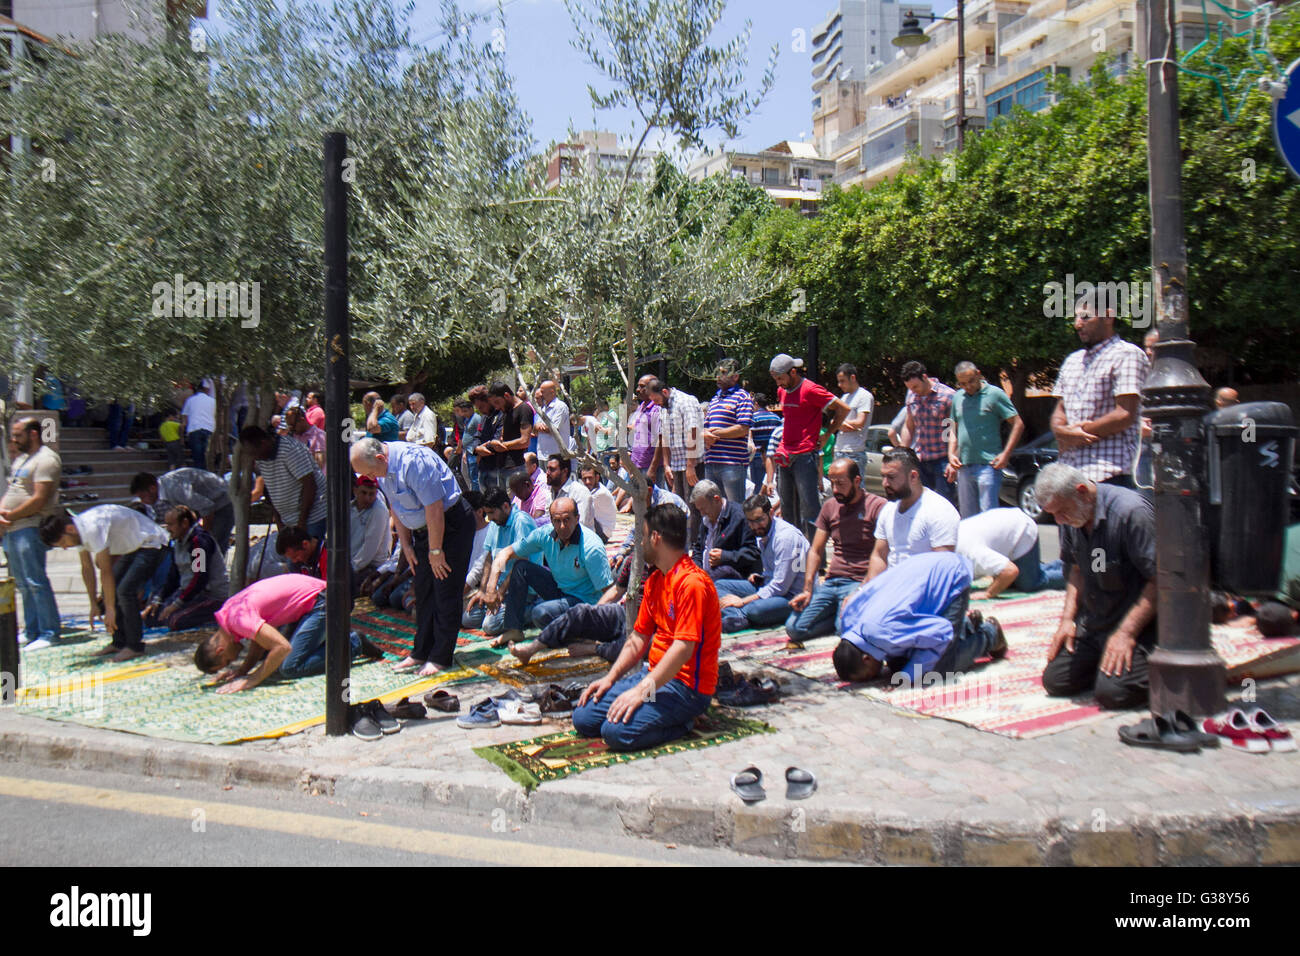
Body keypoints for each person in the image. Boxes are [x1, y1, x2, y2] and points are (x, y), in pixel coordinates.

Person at [573, 504, 721, 751]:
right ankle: (652, 708)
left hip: (687, 689)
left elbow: (683, 648)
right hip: (653, 677)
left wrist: (641, 692)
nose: (639, 543)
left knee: (615, 733)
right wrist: (610, 679)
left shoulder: (692, 583)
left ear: (655, 537)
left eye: (642, 536)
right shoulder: (655, 580)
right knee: (584, 718)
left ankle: (684, 721)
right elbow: (638, 639)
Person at [1035, 462, 1157, 709]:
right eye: (1053, 515)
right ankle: (1109, 666)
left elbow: (1161, 580)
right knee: (1056, 681)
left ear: (1081, 491)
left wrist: (1126, 633)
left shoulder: (1130, 513)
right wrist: (1067, 621)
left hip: (1140, 624)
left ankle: (1154, 666)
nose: (1059, 521)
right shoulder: (1073, 520)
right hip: (1097, 622)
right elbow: (1076, 570)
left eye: (1062, 512)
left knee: (1113, 694)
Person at [351, 436, 476, 676]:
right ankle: (420, 652)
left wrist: (436, 550)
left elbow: (435, 509)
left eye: (369, 471)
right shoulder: (383, 468)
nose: (371, 477)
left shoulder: (413, 462)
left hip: (450, 526)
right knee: (423, 589)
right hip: (422, 532)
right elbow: (396, 506)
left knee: (445, 589)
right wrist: (406, 546)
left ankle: (441, 656)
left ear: (379, 458)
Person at [833, 551, 1006, 684]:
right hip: (924, 570)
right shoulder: (848, 622)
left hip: (951, 575)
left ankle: (990, 634)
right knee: (900, 665)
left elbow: (941, 631)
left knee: (937, 670)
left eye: (870, 674)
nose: (877, 675)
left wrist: (908, 676)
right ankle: (966, 627)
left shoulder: (884, 632)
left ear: (866, 658)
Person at [194, 573, 382, 692]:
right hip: (313, 601)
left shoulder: (238, 619)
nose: (231, 661)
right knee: (283, 660)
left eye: (227, 661)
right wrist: (242, 670)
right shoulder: (228, 613)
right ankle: (335, 639)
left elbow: (282, 647)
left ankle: (353, 643)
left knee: (289, 667)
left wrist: (253, 678)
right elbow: (259, 641)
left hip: (325, 600)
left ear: (220, 650)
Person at [483, 497, 612, 655]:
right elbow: (505, 554)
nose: (562, 526)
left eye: (567, 520)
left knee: (541, 613)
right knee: (521, 567)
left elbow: (609, 592)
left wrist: (601, 629)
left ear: (577, 519)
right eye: (557, 521)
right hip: (560, 590)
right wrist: (490, 588)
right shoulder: (544, 535)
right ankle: (514, 629)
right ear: (551, 521)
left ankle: (579, 636)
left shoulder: (592, 547)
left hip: (584, 603)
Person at [40, 505, 169, 661]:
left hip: (152, 542)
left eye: (63, 543)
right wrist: (93, 603)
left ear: (69, 529)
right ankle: (119, 642)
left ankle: (135, 646)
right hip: (134, 546)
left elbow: (106, 570)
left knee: (124, 591)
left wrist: (109, 609)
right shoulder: (78, 530)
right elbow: (87, 569)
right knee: (114, 590)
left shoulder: (92, 527)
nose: (65, 547)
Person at [1049, 297, 1150, 486]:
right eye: (1076, 318)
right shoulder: (1072, 360)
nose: (1078, 325)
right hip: (1070, 475)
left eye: (1085, 317)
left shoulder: (1127, 355)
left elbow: (1125, 414)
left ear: (1108, 316)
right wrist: (1061, 431)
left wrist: (1078, 434)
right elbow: (1060, 408)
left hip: (1111, 474)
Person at [786, 458, 887, 644]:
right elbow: (815, 550)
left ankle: (841, 621)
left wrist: (863, 588)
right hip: (832, 582)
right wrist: (808, 588)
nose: (835, 489)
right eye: (832, 483)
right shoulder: (830, 506)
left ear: (857, 481)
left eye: (840, 484)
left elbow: (883, 554)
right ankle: (836, 618)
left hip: (859, 581)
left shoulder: (877, 507)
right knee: (794, 628)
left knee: (846, 633)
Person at [769, 353, 850, 539]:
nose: (778, 383)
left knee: (810, 508)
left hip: (805, 455)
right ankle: (793, 555)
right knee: (787, 509)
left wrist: (828, 433)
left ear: (793, 372)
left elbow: (843, 408)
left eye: (780, 378)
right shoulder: (782, 391)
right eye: (775, 379)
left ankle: (817, 560)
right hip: (785, 454)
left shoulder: (811, 389)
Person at [0, 417, 63, 648]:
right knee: (23, 584)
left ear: (33, 434)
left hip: (30, 527)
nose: (14, 440)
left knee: (36, 581)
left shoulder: (46, 460)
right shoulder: (23, 460)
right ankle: (32, 629)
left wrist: (9, 515)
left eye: (18, 435)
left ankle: (49, 632)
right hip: (12, 529)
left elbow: (39, 499)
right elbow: (14, 490)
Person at [715, 493, 809, 633]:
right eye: (750, 521)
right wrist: (762, 577)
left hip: (792, 596)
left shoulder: (786, 538)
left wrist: (743, 601)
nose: (755, 526)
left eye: (759, 520)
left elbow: (781, 587)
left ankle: (737, 614)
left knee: (755, 610)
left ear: (771, 513)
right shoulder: (763, 533)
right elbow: (773, 574)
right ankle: (737, 616)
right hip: (769, 587)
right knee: (719, 585)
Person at [867, 447, 960, 580]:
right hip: (890, 588)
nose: (885, 483)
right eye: (883, 476)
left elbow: (943, 567)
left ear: (913, 476)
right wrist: (866, 592)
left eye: (891, 477)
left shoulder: (939, 511)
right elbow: (879, 556)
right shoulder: (888, 510)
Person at [947, 361, 1024, 517]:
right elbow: (952, 429)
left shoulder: (995, 395)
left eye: (971, 381)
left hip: (988, 466)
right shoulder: (957, 398)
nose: (967, 386)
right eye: (962, 384)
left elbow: (1018, 424)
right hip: (964, 466)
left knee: (988, 518)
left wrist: (1006, 454)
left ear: (978, 374)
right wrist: (951, 455)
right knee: (968, 519)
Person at [462, 488, 539, 635]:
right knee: (468, 618)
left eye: (491, 513)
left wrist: (500, 594)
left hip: (522, 590)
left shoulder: (521, 522)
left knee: (490, 626)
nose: (489, 518)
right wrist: (483, 591)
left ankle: (536, 609)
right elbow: (489, 558)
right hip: (498, 588)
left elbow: (520, 564)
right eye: (487, 513)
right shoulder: (495, 524)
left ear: (505, 506)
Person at [144, 505, 229, 631]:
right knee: (153, 617)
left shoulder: (199, 542)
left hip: (208, 593)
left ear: (184, 523)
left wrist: (176, 605)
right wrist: (158, 600)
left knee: (175, 621)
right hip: (187, 592)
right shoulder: (178, 542)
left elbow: (199, 579)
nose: (168, 529)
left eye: (171, 525)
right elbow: (173, 576)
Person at [238, 426, 327, 540]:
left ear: (263, 443)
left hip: (313, 516)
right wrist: (279, 522)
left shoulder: (290, 450)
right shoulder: (262, 458)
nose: (253, 457)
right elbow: (271, 492)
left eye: (253, 453)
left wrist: (301, 522)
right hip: (289, 519)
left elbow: (310, 485)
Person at [958, 507, 1064, 598]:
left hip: (1021, 529)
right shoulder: (951, 547)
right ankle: (1066, 565)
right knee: (1019, 578)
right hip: (1007, 526)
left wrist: (988, 593)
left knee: (1030, 583)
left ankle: (1074, 574)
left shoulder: (970, 554)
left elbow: (1010, 571)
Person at [130, 467, 236, 556]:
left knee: (214, 543)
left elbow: (207, 508)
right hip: (202, 504)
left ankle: (211, 575)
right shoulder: (162, 491)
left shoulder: (175, 489)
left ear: (152, 488)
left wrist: (205, 534)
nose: (144, 501)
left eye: (143, 497)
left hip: (222, 502)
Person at [900, 360, 957, 503]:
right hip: (920, 461)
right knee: (922, 506)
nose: (913, 391)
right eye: (910, 388)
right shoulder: (912, 397)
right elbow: (909, 426)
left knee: (944, 505)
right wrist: (901, 454)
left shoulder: (947, 396)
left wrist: (953, 460)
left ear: (924, 377)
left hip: (942, 460)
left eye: (915, 386)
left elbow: (953, 430)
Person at [702, 358, 754, 504]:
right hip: (711, 463)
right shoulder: (714, 399)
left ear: (735, 376)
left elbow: (743, 428)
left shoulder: (742, 397)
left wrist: (715, 434)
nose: (718, 377)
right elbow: (706, 426)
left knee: (735, 508)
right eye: (717, 373)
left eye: (723, 373)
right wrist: (704, 434)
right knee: (715, 509)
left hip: (732, 464)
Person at [688, 479, 760, 582]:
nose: (702, 513)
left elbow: (752, 553)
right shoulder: (706, 520)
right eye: (699, 510)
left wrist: (725, 557)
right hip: (706, 575)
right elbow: (698, 548)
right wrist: (696, 569)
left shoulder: (739, 517)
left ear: (716, 500)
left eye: (704, 509)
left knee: (724, 572)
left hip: (733, 577)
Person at [481, 381, 533, 485]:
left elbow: (525, 441)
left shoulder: (524, 409)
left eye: (497, 402)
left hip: (515, 468)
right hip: (501, 467)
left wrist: (502, 445)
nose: (496, 407)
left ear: (506, 395)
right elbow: (503, 437)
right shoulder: (506, 411)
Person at [832, 363, 875, 477]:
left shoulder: (864, 396)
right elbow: (834, 422)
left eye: (842, 381)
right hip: (839, 449)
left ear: (852, 378)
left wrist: (839, 424)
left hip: (854, 452)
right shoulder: (844, 398)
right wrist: (841, 425)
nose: (839, 384)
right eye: (839, 381)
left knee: (856, 490)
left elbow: (860, 422)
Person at [350, 474, 392, 573]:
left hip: (371, 566)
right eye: (363, 493)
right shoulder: (349, 508)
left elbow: (370, 547)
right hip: (352, 563)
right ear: (355, 490)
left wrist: (351, 568)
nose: (367, 498)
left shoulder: (379, 510)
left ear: (376, 493)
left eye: (371, 494)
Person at [629, 374, 663, 482]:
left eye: (642, 386)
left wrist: (652, 468)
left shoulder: (657, 409)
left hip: (651, 466)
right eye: (638, 386)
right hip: (638, 464)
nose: (638, 390)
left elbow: (660, 440)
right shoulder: (641, 407)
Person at [748, 392, 782, 490]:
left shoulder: (753, 418)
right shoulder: (776, 418)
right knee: (773, 487)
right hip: (773, 457)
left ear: (756, 404)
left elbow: (749, 437)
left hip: (757, 457)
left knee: (758, 488)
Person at [468, 386, 500, 492]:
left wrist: (484, 448)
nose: (480, 410)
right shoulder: (484, 417)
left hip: (496, 467)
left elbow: (498, 439)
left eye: (482, 406)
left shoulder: (501, 415)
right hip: (483, 467)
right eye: (478, 408)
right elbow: (477, 436)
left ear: (489, 400)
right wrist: (477, 449)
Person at [181, 379, 216, 471]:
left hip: (194, 429)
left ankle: (199, 474)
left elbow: (185, 416)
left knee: (197, 456)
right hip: (209, 429)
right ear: (206, 389)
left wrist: (185, 428)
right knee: (207, 456)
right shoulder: (212, 401)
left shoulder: (190, 400)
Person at [532, 380, 573, 459]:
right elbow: (535, 430)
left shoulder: (560, 407)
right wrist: (538, 427)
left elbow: (553, 430)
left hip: (556, 455)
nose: (541, 395)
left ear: (552, 392)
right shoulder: (543, 408)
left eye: (543, 392)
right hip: (542, 454)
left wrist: (541, 427)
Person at [579, 463, 618, 540]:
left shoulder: (600, 493)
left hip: (602, 533)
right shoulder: (594, 490)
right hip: (598, 528)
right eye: (584, 479)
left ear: (597, 478)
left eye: (590, 478)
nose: (587, 482)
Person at [286, 405, 326, 472]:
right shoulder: (293, 436)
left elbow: (319, 463)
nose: (291, 429)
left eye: (292, 425)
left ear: (302, 420)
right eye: (289, 426)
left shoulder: (318, 435)